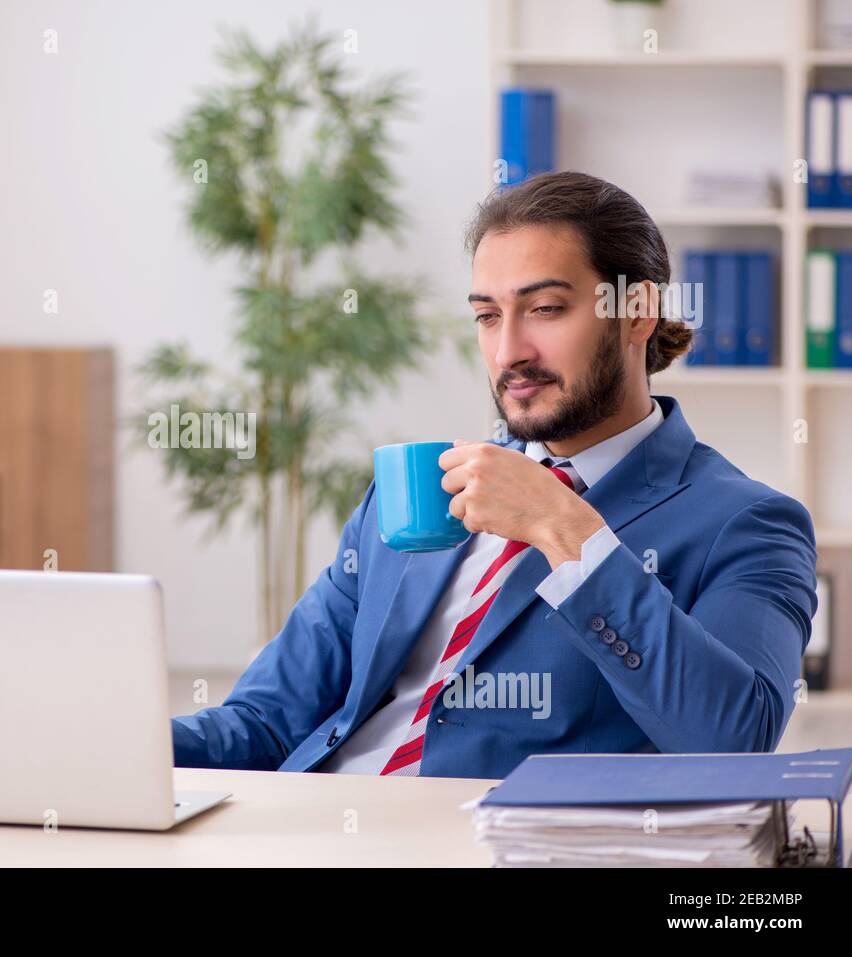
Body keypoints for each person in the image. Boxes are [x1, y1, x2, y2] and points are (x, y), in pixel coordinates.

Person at [171, 170, 819, 779]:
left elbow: (733, 743)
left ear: (637, 312)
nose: (509, 351)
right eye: (487, 316)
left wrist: (567, 529)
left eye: (545, 308)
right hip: (319, 828)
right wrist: (111, 740)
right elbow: (265, 720)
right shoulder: (417, 491)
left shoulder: (746, 523)